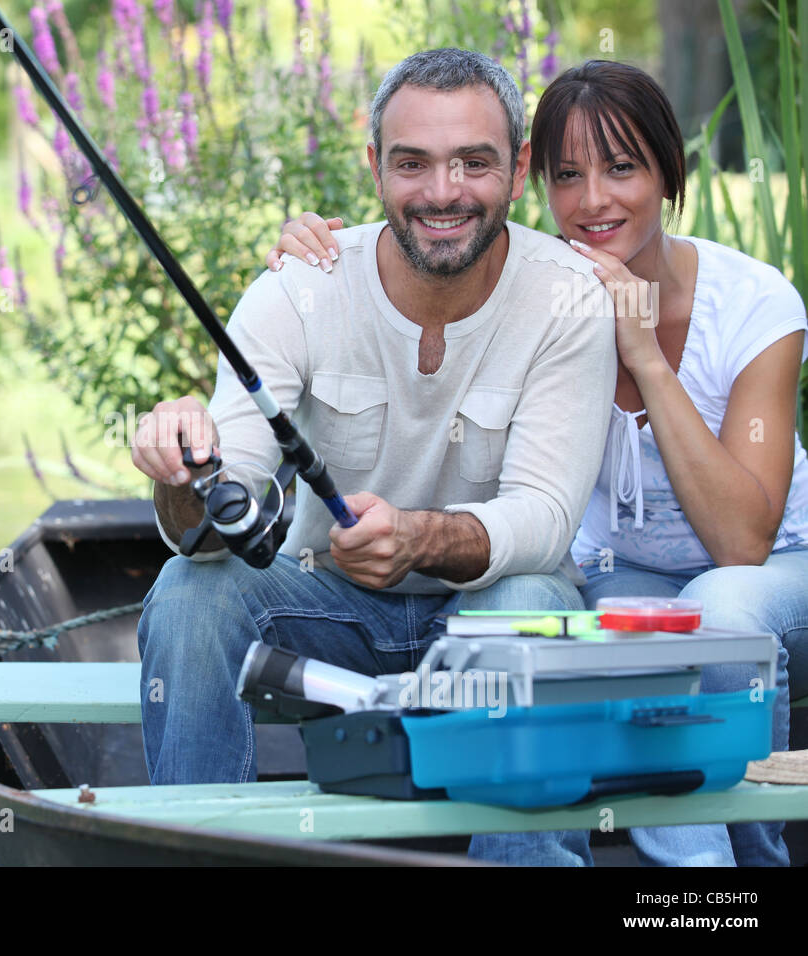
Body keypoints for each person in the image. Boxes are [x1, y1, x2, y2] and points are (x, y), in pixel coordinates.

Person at [268, 59, 808, 866]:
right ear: (532, 181)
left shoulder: (754, 305)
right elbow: (425, 239)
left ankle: (757, 870)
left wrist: (646, 357)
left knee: (712, 616)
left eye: (623, 168)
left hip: (771, 577)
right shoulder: (534, 293)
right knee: (594, 641)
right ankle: (691, 880)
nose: (594, 201)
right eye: (568, 175)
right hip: (621, 581)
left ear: (668, 173)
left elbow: (742, 542)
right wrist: (314, 243)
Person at [130, 46, 619, 865]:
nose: (442, 192)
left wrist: (422, 537)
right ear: (374, 168)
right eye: (412, 164)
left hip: (488, 606)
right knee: (189, 593)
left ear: (521, 166)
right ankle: (197, 852)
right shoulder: (295, 288)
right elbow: (221, 512)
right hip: (326, 607)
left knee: (534, 600)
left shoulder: (567, 297)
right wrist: (190, 477)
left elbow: (544, 518)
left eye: (473, 162)